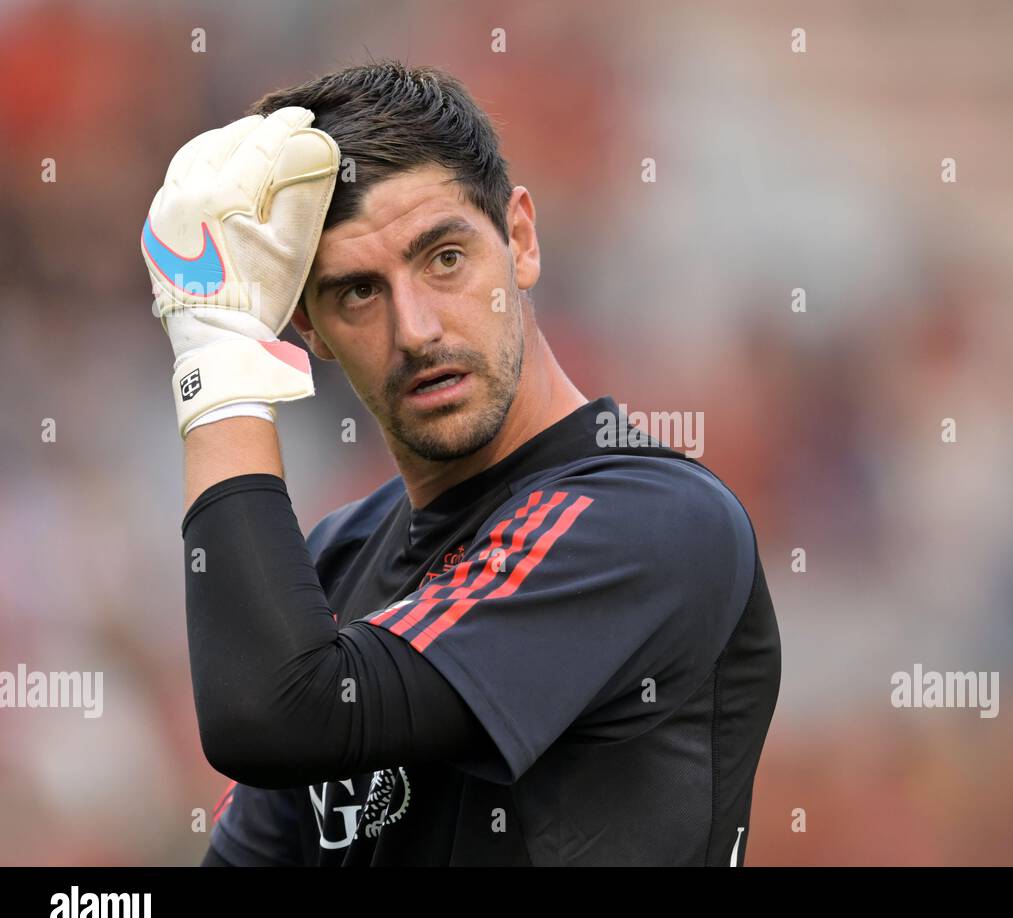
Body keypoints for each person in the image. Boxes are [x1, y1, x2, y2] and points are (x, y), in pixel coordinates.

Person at [143, 61, 780, 866]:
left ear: (519, 238)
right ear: (306, 323)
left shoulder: (651, 521)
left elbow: (276, 717)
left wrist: (218, 360)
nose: (416, 330)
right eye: (358, 292)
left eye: (444, 258)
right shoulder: (337, 562)